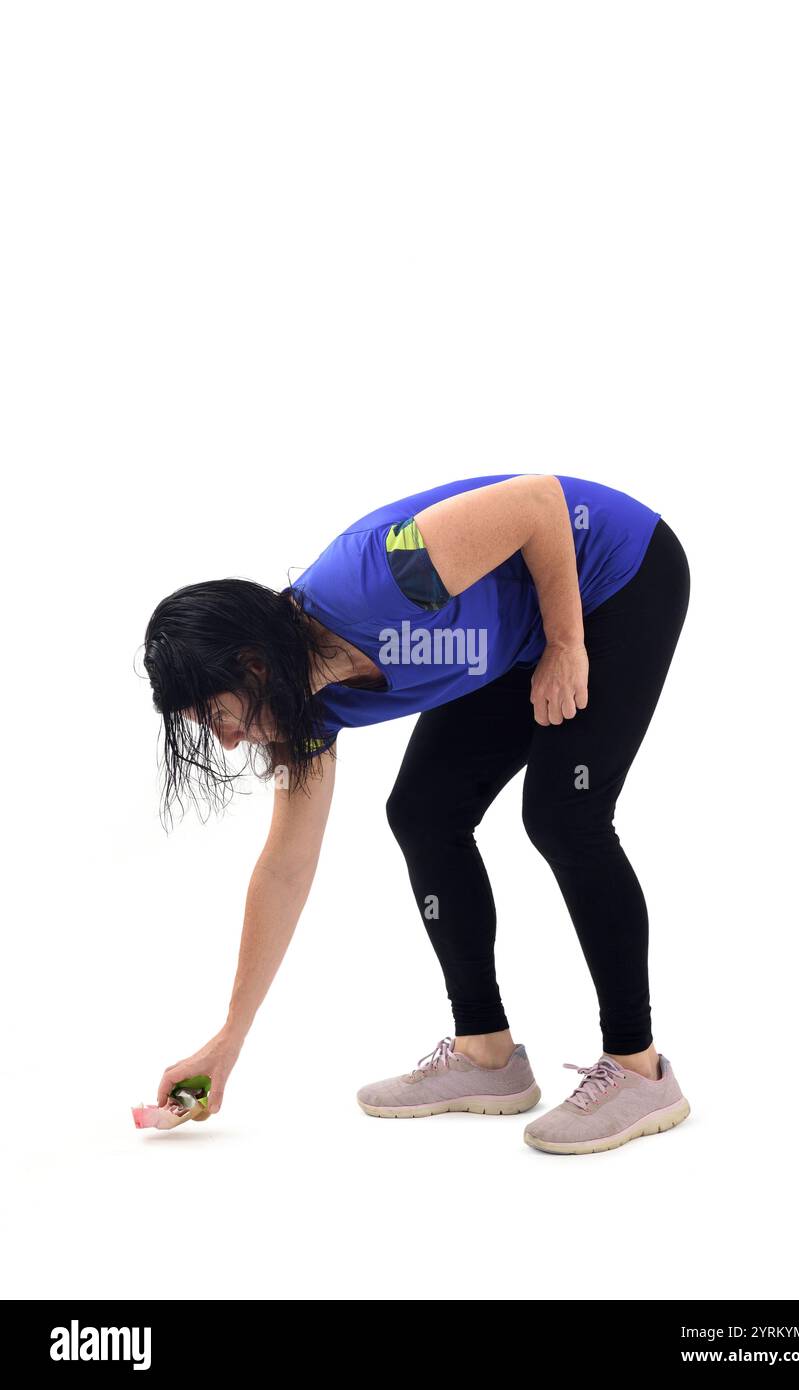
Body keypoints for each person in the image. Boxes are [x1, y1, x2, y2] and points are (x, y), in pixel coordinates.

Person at [143, 473, 691, 1155]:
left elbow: (537, 503)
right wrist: (228, 1039)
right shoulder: (308, 713)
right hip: (515, 638)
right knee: (425, 811)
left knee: (564, 813)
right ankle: (485, 1052)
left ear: (254, 665)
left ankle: (638, 1068)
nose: (225, 739)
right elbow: (286, 866)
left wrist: (563, 644)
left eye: (217, 714)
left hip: (614, 576)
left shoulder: (382, 580)